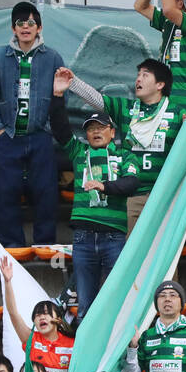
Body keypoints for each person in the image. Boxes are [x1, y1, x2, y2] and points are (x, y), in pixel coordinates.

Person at [58, 60, 186, 233]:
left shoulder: (179, 113)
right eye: (138, 75)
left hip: (165, 195)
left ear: (160, 84)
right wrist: (73, 82)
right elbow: (98, 100)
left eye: (145, 75)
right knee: (130, 251)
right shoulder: (126, 108)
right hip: (132, 196)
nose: (138, 79)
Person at [48, 89, 141, 321]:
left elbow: (131, 184)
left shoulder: (125, 155)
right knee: (85, 305)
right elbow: (60, 129)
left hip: (114, 239)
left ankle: (113, 355)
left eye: (101, 127)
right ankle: (87, 356)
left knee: (115, 302)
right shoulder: (79, 153)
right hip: (83, 238)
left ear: (112, 132)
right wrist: (58, 96)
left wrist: (104, 186)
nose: (96, 132)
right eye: (91, 128)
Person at [0, 1, 65, 247]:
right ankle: (12, 248)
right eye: (20, 23)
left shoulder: (52, 57)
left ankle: (44, 245)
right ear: (13, 28)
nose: (25, 27)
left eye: (30, 23)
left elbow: (62, 94)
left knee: (46, 194)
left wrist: (50, 128)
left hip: (40, 136)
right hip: (9, 136)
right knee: (5, 195)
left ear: (39, 27)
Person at [0, 255, 74, 372]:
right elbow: (13, 313)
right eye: (38, 315)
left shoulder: (73, 343)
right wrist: (8, 282)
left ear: (59, 319)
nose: (42, 316)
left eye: (47, 313)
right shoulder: (31, 339)